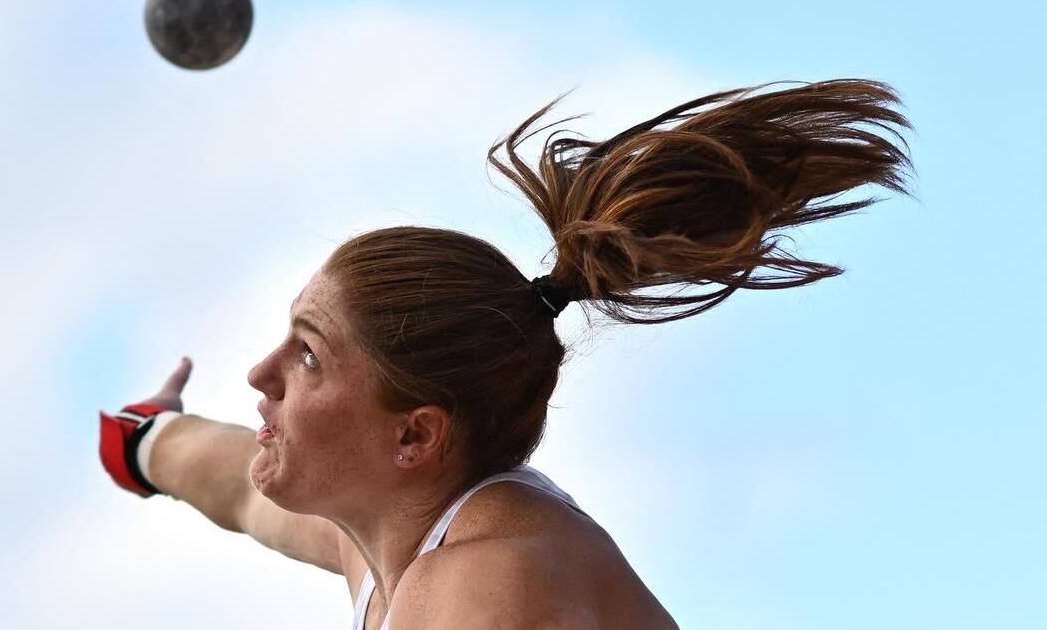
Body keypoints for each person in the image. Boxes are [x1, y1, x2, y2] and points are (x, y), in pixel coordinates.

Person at [99, 79, 912, 629]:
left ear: (415, 436)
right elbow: (239, 488)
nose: (259, 375)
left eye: (307, 356)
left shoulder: (484, 585)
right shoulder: (387, 534)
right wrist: (146, 440)